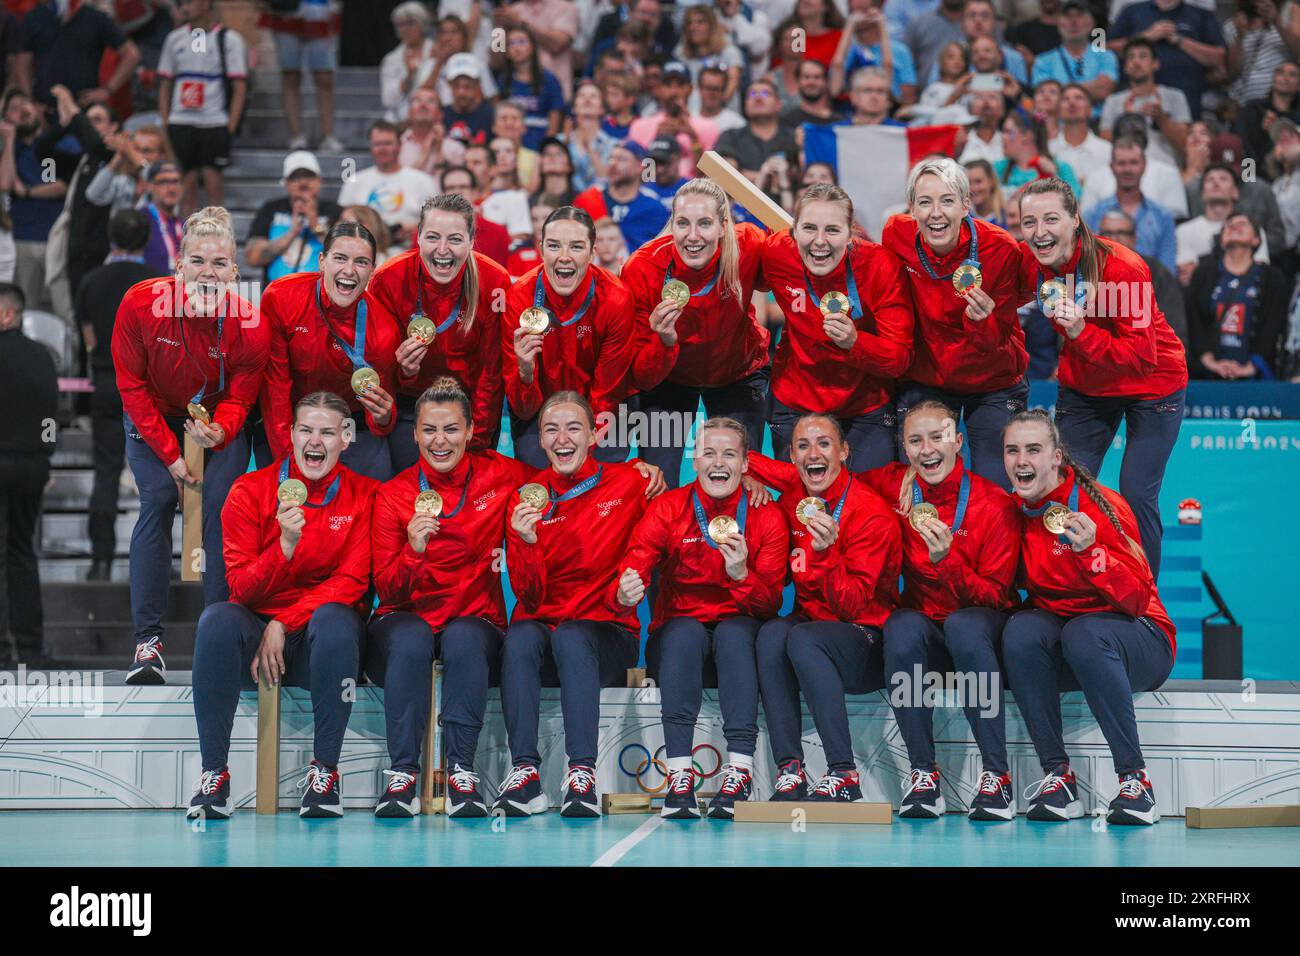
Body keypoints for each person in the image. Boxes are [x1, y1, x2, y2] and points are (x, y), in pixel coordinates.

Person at [187, 391, 375, 820]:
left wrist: (284, 623)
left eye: (327, 432)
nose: (315, 441)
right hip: (255, 645)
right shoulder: (249, 490)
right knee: (216, 619)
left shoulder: (366, 495)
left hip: (318, 644)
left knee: (337, 621)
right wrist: (283, 548)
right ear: (289, 435)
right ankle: (214, 775)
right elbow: (239, 589)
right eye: (306, 430)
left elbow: (352, 582)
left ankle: (325, 773)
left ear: (346, 438)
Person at [366, 377, 537, 818]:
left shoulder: (501, 474)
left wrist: (634, 470)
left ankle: (462, 772)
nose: (439, 441)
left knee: (464, 638)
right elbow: (386, 588)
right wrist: (413, 551)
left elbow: (559, 479)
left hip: (475, 617)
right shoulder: (392, 495)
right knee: (410, 640)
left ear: (471, 431)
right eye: (429, 430)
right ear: (414, 434)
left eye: (451, 429)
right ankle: (403, 776)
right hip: (405, 614)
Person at [111, 207, 269, 685]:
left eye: (219, 263)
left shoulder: (250, 322)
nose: (208, 272)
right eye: (197, 261)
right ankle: (148, 644)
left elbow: (241, 394)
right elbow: (132, 387)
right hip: (155, 414)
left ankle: (218, 640)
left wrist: (222, 430)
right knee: (159, 499)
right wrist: (172, 456)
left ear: (235, 272)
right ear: (178, 266)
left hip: (214, 418)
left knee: (220, 510)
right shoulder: (140, 303)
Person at [1001, 409, 1175, 825]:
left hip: (1142, 638)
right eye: (1012, 450)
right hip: (1073, 642)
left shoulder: (1100, 504)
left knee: (1083, 634)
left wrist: (1092, 554)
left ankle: (1135, 781)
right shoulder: (1011, 511)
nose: (1021, 460)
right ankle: (1058, 778)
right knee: (1021, 631)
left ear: (1057, 457)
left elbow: (1138, 599)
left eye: (1033, 449)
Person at [496, 391, 665, 817]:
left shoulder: (630, 483)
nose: (562, 438)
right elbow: (528, 597)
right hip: (545, 630)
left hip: (608, 632)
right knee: (518, 638)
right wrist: (526, 543)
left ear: (594, 435)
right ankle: (524, 774)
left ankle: (582, 774)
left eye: (574, 428)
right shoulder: (525, 499)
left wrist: (751, 480)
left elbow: (673, 519)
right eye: (551, 430)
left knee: (572, 637)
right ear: (540, 440)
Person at [614, 417, 788, 819]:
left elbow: (769, 605)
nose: (718, 462)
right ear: (694, 461)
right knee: (684, 634)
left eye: (729, 454)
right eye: (708, 453)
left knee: (734, 635)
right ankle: (679, 777)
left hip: (739, 632)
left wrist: (742, 575)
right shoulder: (668, 508)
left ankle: (739, 771)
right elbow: (636, 560)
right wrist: (624, 589)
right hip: (680, 635)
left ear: (746, 464)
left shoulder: (766, 513)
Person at [1018, 177, 1188, 576]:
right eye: (1029, 222)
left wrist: (1081, 333)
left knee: (1136, 493)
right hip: (1087, 385)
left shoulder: (1122, 268)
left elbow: (1141, 359)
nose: (1039, 232)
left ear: (1075, 219)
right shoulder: (1032, 262)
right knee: (1058, 484)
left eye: (1050, 219)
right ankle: (1056, 588)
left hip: (1153, 384)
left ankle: (1143, 595)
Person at [859, 401, 1020, 820]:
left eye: (937, 437)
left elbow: (994, 596)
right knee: (900, 625)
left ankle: (997, 776)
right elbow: (829, 480)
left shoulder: (993, 504)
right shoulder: (895, 488)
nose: (927, 449)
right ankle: (923, 776)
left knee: (965, 625)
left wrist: (947, 562)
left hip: (982, 629)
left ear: (958, 442)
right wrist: (750, 475)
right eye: (915, 440)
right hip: (929, 632)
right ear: (905, 449)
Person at [748, 413, 901, 801]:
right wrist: (747, 483)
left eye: (824, 444)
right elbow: (733, 455)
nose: (813, 454)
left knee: (803, 638)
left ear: (844, 451)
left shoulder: (870, 513)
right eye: (802, 446)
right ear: (792, 456)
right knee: (771, 634)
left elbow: (852, 605)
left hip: (865, 638)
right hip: (812, 622)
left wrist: (827, 553)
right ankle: (790, 769)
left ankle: (843, 773)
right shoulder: (794, 499)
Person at [881, 157, 1028, 489]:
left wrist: (983, 323)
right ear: (911, 208)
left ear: (966, 205)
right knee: (920, 484)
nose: (936, 213)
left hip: (993, 380)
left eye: (947, 201)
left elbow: (1003, 343)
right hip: (927, 378)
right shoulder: (895, 234)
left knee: (997, 486)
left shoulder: (1000, 248)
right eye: (925, 202)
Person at [620, 179, 770, 486]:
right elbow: (643, 377)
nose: (692, 236)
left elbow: (789, 264)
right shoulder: (642, 268)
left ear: (723, 226)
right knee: (657, 483)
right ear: (672, 225)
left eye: (704, 223)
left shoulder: (748, 245)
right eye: (683, 223)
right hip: (669, 379)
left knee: (745, 481)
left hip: (738, 374)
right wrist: (664, 342)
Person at [761, 183, 914, 471]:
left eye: (832, 230)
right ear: (794, 231)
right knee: (802, 498)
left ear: (850, 232)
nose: (819, 241)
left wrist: (856, 343)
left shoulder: (880, 265)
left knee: (871, 494)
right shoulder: (775, 253)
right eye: (809, 228)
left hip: (864, 406)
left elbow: (900, 358)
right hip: (796, 401)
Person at [368, 194, 512, 472]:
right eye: (433, 237)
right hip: (409, 405)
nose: (442, 250)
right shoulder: (388, 279)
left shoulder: (495, 281)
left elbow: (491, 372)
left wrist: (476, 441)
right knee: (412, 491)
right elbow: (380, 368)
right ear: (418, 236)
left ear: (471, 241)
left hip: (470, 408)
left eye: (455, 239)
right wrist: (405, 372)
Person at [260, 222, 399, 483]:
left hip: (352, 428)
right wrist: (289, 461)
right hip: (291, 422)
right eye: (340, 258)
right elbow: (275, 389)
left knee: (373, 496)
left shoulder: (384, 331)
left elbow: (381, 418)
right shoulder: (281, 298)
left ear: (372, 270)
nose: (349, 270)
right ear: (322, 261)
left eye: (361, 262)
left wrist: (383, 418)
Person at [504, 206, 636, 468]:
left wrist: (580, 442)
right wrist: (525, 372)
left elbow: (607, 393)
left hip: (601, 407)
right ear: (542, 249)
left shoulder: (615, 298)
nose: (564, 257)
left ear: (592, 252)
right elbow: (522, 408)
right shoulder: (518, 298)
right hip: (539, 408)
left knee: (597, 469)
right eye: (554, 246)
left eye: (576, 247)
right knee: (536, 469)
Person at [78, 209, 164, 582]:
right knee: (160, 479)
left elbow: (89, 340)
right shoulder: (158, 284)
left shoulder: (91, 281)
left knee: (106, 473)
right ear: (147, 240)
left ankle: (100, 561)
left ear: (111, 239)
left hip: (107, 384)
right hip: (150, 391)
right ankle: (162, 563)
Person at [0, 283, 57, 669]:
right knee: (22, 553)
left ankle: (2, 652)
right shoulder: (43, 357)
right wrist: (45, 454)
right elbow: (51, 417)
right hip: (31, 467)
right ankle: (31, 647)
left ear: (9, 314)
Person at [157, 0, 247, 214]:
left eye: (190, 2)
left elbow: (239, 86)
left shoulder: (230, 40)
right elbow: (165, 83)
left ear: (206, 3)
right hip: (181, 120)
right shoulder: (174, 39)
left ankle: (217, 231)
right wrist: (166, 121)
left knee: (213, 181)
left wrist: (230, 127)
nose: (185, 7)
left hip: (214, 121)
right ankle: (187, 232)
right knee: (186, 183)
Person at [1188, 212, 1290, 380]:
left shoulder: (1272, 278)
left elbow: (1273, 325)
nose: (1234, 226)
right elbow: (1194, 320)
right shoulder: (1203, 273)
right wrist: (1208, 361)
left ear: (1256, 240)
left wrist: (1252, 366)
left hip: (1255, 377)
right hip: (1208, 376)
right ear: (1222, 240)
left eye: (1242, 223)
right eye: (1228, 225)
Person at [1106, 0, 1226, 121]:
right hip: (1136, 97)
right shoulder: (1133, 11)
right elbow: (1106, 49)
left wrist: (1180, 40)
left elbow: (1220, 58)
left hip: (1186, 98)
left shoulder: (1201, 15)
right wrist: (1146, 36)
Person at [17, 0, 140, 107]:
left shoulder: (95, 18)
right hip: (45, 107)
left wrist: (108, 90)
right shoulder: (34, 18)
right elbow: (22, 65)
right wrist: (30, 103)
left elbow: (131, 54)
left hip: (83, 105)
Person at [337, 120, 439, 249]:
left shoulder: (423, 181)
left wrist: (418, 228)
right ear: (371, 147)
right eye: (377, 144)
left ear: (400, 145)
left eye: (388, 143)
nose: (383, 149)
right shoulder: (354, 181)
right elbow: (343, 223)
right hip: (364, 250)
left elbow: (437, 221)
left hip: (410, 250)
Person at [1083, 137, 1178, 273]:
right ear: (1111, 166)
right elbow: (1086, 265)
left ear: (1144, 165)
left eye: (1134, 163)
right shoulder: (1092, 215)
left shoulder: (1163, 217)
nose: (1127, 169)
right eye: (1121, 163)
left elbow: (1167, 271)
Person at [246, 151, 341, 285]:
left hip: (320, 295)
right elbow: (253, 258)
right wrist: (291, 233)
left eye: (309, 176)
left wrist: (316, 226)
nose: (303, 182)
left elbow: (344, 253)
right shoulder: (271, 209)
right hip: (276, 293)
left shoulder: (335, 211)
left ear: (319, 181)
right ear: (286, 183)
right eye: (296, 178)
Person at [260, 0, 343, 152]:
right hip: (286, 12)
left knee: (325, 77)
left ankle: (328, 135)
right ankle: (297, 135)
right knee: (291, 75)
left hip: (320, 10)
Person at [1100, 38, 1191, 169]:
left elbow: (1185, 146)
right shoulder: (1113, 101)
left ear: (1156, 64)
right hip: (1127, 169)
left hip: (1166, 168)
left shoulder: (1175, 96)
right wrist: (1127, 121)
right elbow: (1104, 148)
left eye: (1143, 56)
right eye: (1131, 57)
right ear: (1125, 67)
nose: (1136, 62)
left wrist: (1161, 119)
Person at [572, 140, 670, 260]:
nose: (613, 164)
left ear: (640, 167)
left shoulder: (655, 209)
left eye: (622, 159)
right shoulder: (587, 201)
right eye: (611, 158)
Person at [1029, 1, 1118, 106]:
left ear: (1091, 23)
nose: (1073, 22)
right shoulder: (1042, 61)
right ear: (1058, 23)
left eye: (1080, 16)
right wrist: (1091, 87)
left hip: (1098, 116)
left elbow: (1103, 90)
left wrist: (1060, 91)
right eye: (1067, 16)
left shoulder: (1106, 56)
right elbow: (1046, 100)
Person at [498, 27, 565, 152]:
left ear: (533, 47)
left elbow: (554, 121)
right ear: (506, 51)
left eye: (521, 42)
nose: (517, 48)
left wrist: (545, 150)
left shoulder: (550, 80)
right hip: (511, 147)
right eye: (511, 43)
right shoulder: (503, 81)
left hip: (540, 145)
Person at [715, 77, 799, 176]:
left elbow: (803, 174)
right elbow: (725, 173)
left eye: (765, 94)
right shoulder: (731, 137)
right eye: (752, 94)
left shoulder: (794, 137)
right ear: (745, 105)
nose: (758, 98)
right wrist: (766, 177)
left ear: (778, 104)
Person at [993, 110, 1082, 200]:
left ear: (1027, 136)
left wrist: (1053, 176)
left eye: (1008, 132)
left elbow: (1075, 205)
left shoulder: (1061, 168)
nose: (1002, 137)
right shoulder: (997, 169)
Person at [380, 1, 438, 123]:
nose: (406, 29)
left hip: (434, 116)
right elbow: (388, 99)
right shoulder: (391, 59)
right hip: (400, 118)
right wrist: (409, 76)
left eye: (411, 23)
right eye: (400, 24)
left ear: (423, 24)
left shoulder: (437, 51)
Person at [140, 160, 185, 275]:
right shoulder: (139, 221)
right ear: (149, 186)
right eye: (164, 182)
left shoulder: (185, 226)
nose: (171, 189)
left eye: (176, 182)